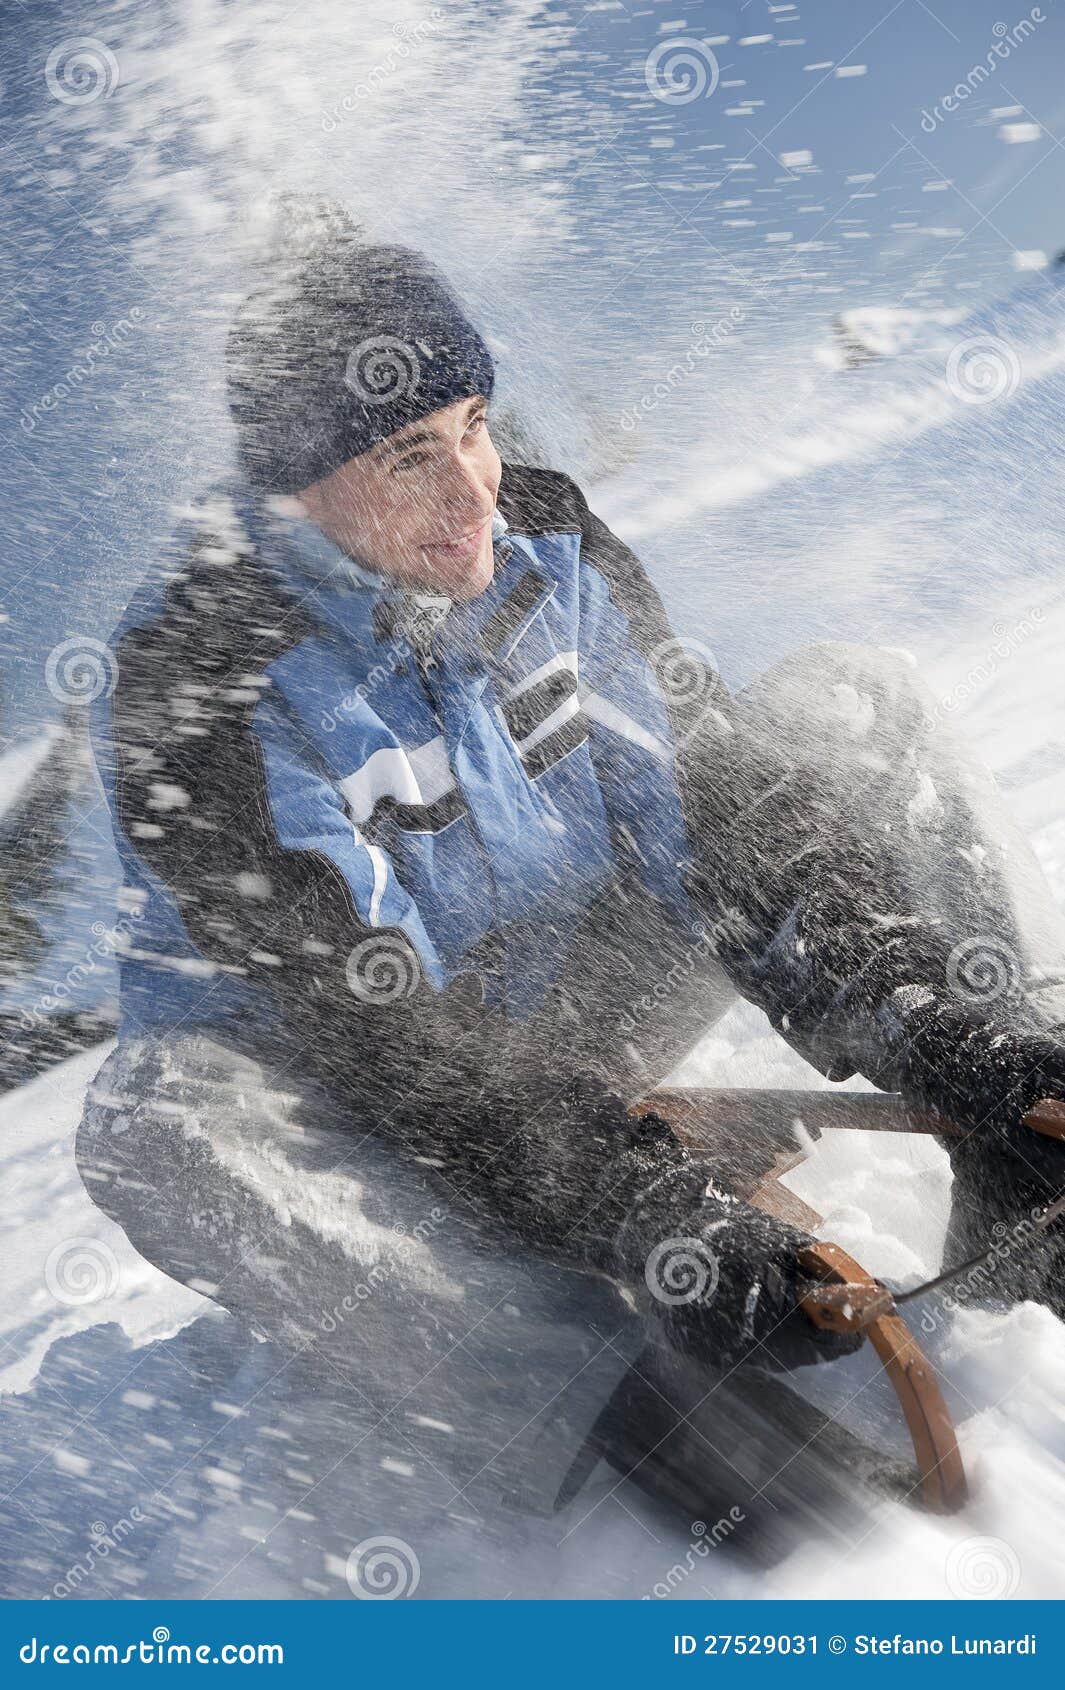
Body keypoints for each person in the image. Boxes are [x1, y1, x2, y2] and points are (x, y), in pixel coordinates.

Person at [77, 204, 1065, 1535]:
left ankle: (1030, 1134)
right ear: (299, 490)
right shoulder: (199, 676)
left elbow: (717, 813)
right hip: (369, 1092)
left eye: (475, 426)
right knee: (157, 1126)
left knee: (858, 702)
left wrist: (917, 1012)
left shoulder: (548, 544)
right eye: (410, 455)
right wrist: (635, 1202)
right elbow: (375, 1031)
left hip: (573, 1002)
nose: (473, 488)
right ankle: (610, 1410)